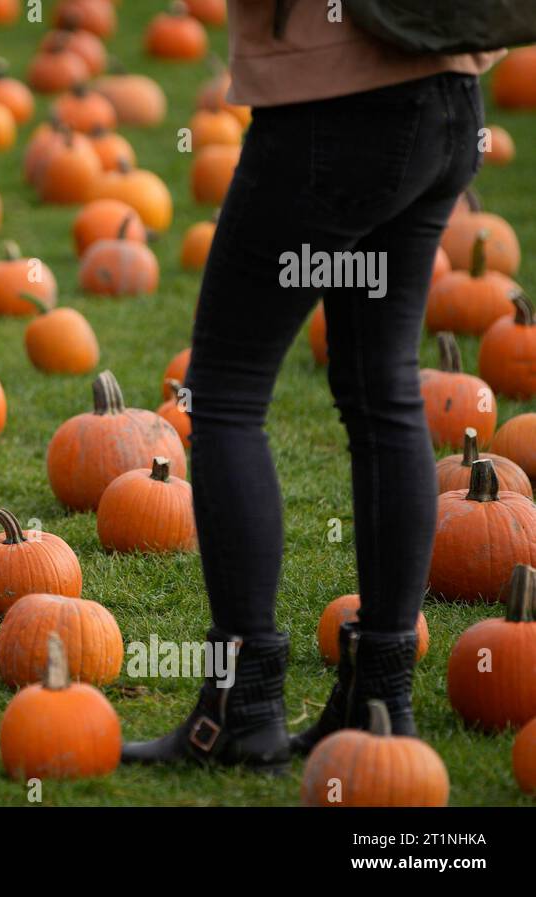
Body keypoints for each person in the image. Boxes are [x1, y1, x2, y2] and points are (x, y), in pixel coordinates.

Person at [122, 2, 502, 769]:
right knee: (383, 391)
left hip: (331, 109)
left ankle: (246, 702)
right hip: (449, 103)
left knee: (225, 391)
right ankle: (380, 698)